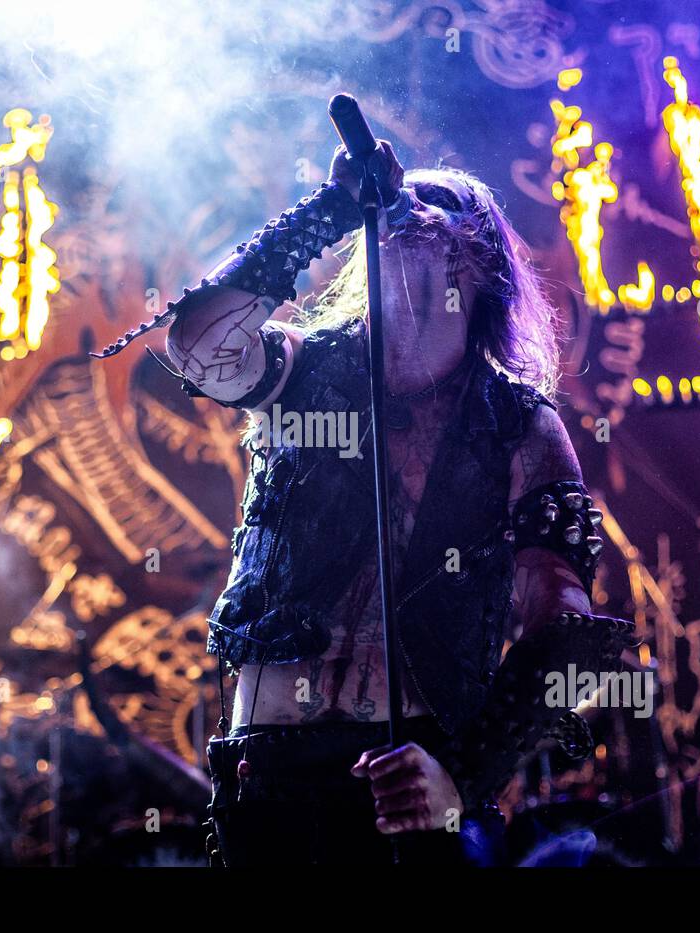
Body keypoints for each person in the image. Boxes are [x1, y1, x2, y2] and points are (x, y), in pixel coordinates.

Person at [157, 140, 634, 866]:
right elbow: (192, 345)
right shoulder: (298, 371)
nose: (411, 209)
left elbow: (564, 627)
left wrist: (464, 779)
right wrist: (326, 212)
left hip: (415, 787)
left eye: (439, 204)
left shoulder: (518, 424)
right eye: (400, 202)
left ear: (481, 259)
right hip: (269, 780)